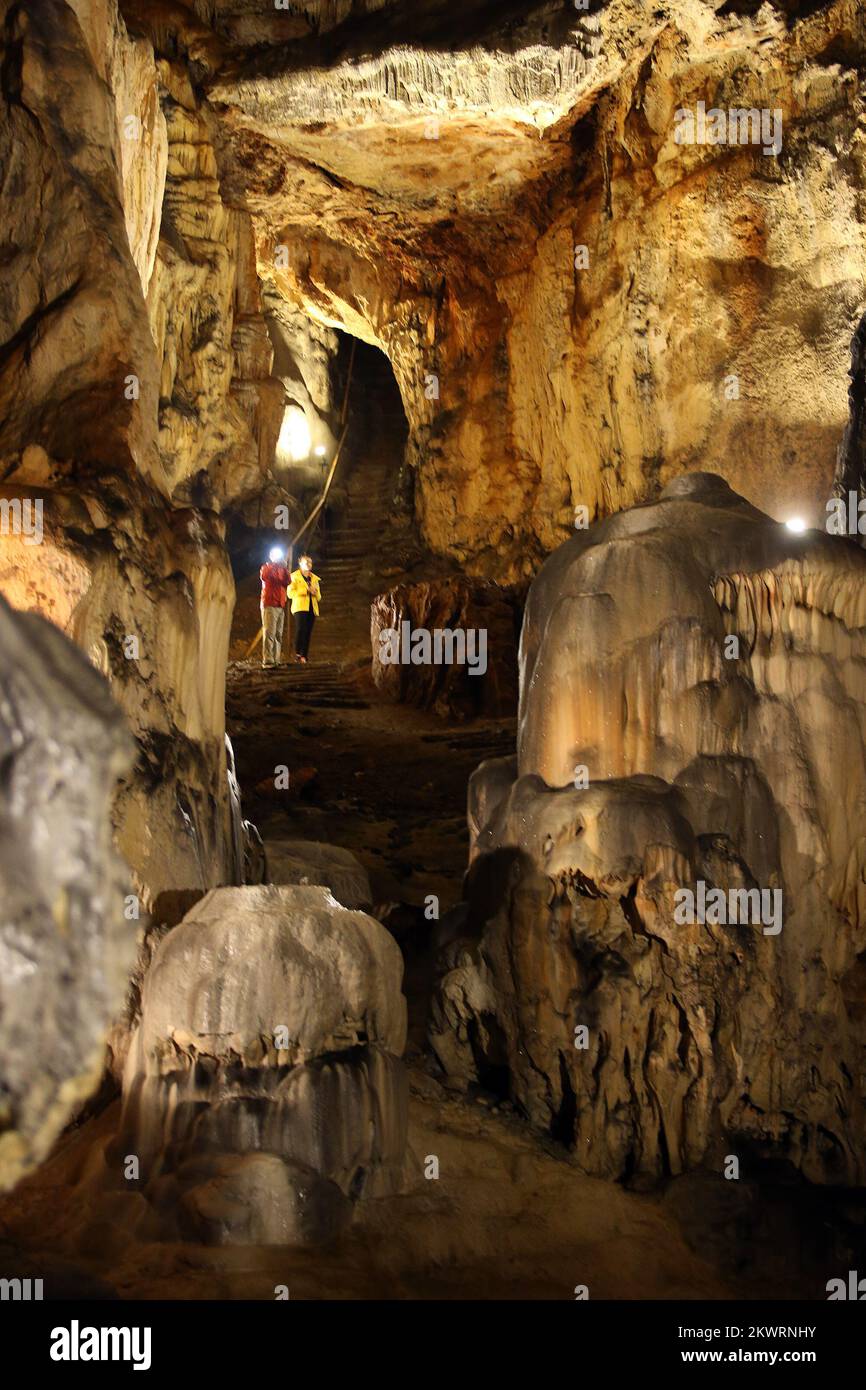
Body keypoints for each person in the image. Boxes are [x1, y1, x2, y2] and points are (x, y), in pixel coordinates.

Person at [259, 545, 290, 669]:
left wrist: (285, 567)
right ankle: (268, 660)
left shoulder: (282, 569)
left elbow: (287, 581)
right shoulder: (266, 567)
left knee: (278, 634)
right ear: (271, 557)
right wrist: (276, 566)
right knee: (269, 632)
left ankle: (276, 659)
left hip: (280, 604)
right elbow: (266, 577)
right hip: (269, 603)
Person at [288, 553, 321, 663]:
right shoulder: (294, 577)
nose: (308, 564)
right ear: (300, 563)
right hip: (300, 607)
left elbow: (319, 597)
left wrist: (315, 592)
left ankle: (304, 656)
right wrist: (306, 591)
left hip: (312, 608)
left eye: (310, 562)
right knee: (300, 629)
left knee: (308, 632)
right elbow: (290, 593)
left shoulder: (314, 578)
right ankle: (297, 653)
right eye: (306, 562)